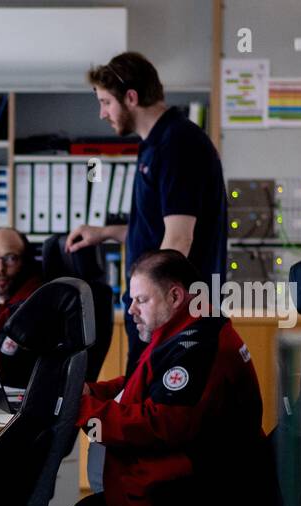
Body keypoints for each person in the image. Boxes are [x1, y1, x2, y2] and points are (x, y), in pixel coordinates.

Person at [39, 250, 269, 506]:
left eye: (141, 300)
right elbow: (139, 386)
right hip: (211, 484)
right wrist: (91, 391)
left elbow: (161, 424)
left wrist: (83, 409)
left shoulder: (198, 346)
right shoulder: (189, 330)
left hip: (209, 498)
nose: (131, 310)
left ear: (175, 296)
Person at [65, 51, 227, 377]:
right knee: (138, 408)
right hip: (156, 310)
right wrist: (105, 232)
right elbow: (155, 229)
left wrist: (150, 308)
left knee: (153, 417)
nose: (102, 114)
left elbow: (179, 238)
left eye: (106, 102)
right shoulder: (154, 144)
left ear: (131, 97)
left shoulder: (177, 143)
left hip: (172, 315)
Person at [0, 228, 43, 387]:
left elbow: (3, 372)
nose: (0, 268)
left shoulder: (32, 306)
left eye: (10, 258)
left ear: (25, 261)